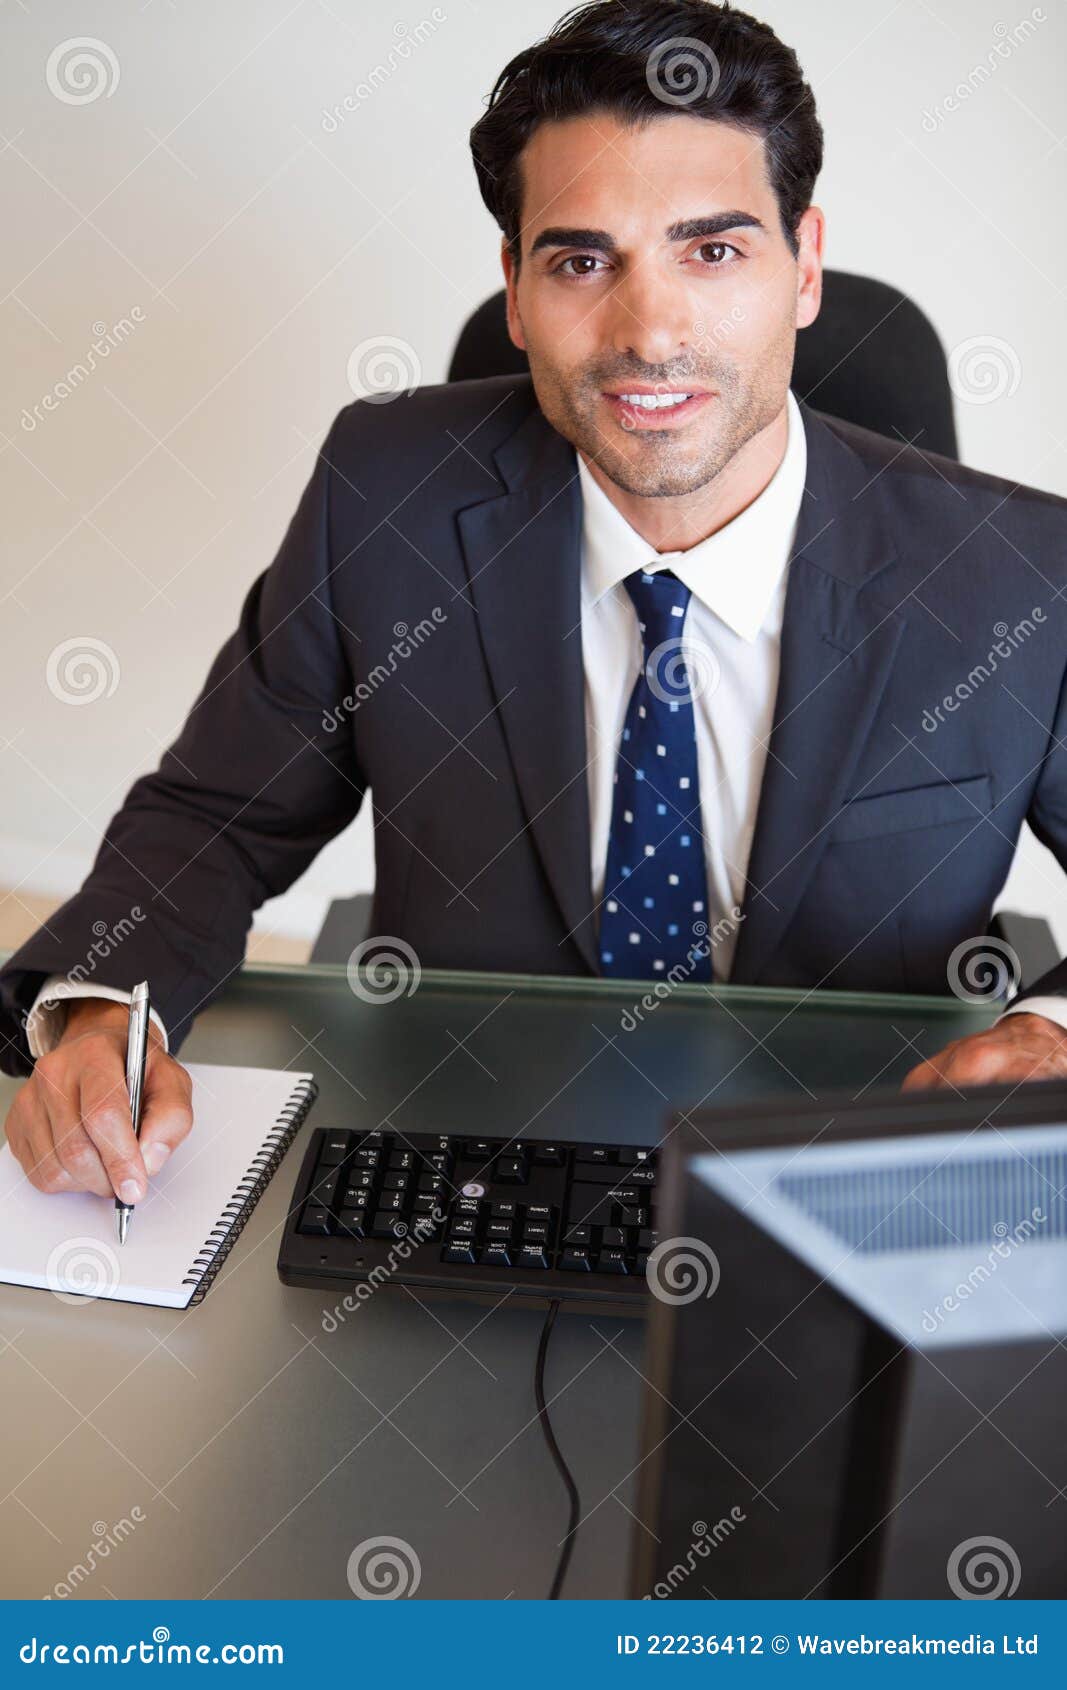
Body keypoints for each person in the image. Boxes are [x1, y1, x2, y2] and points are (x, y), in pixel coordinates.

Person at [4, 0, 1067, 1209]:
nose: (649, 330)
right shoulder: (384, 495)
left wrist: (1048, 1034)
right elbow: (216, 818)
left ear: (802, 266)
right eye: (579, 261)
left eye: (711, 250)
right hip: (469, 1171)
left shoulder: (1017, 574)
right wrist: (96, 1011)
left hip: (850, 1190)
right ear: (513, 293)